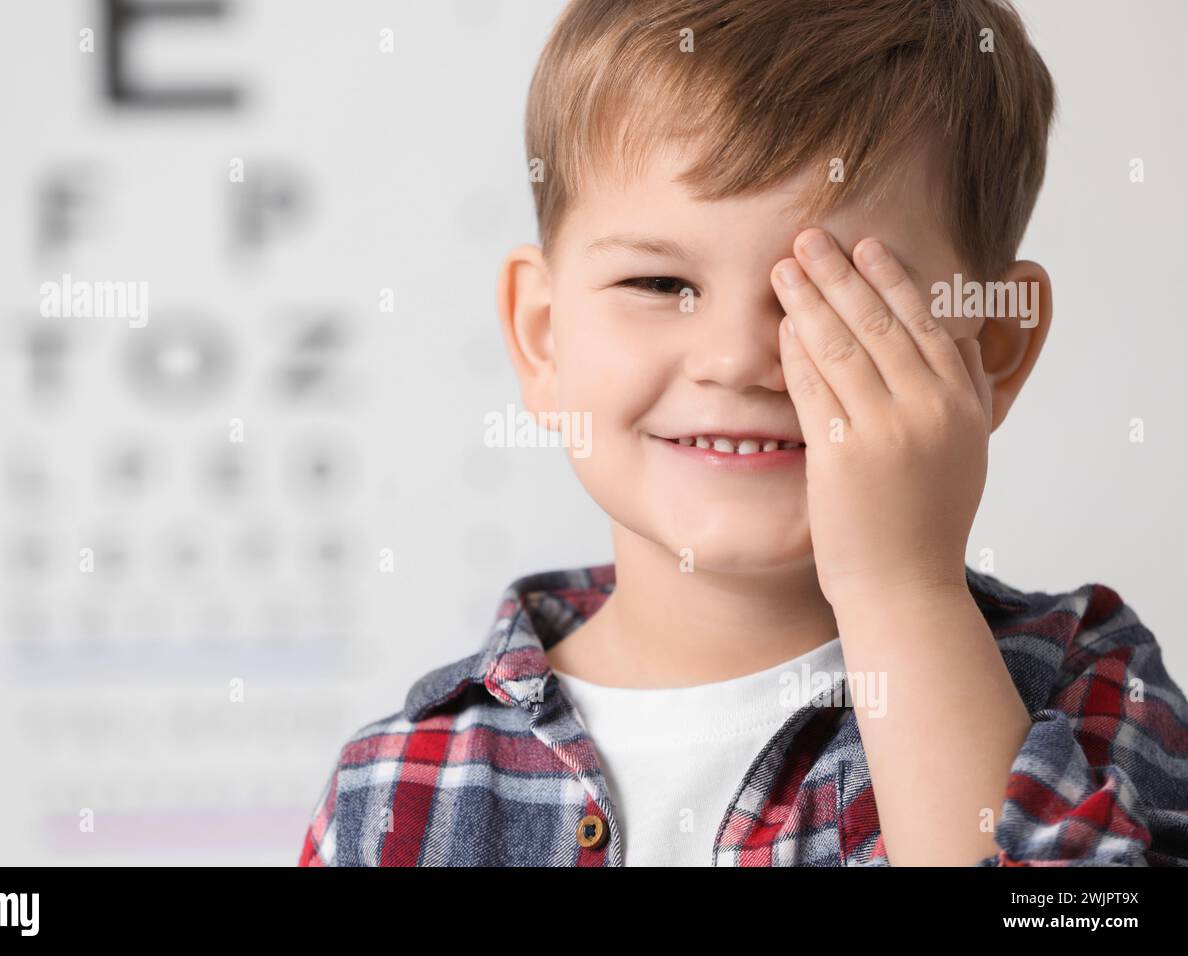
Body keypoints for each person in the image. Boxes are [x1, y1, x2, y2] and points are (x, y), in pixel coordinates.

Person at [299, 0, 1188, 866]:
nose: (734, 360)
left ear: (990, 348)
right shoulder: (396, 784)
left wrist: (898, 587)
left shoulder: (1085, 684)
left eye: (835, 296)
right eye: (658, 284)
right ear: (542, 335)